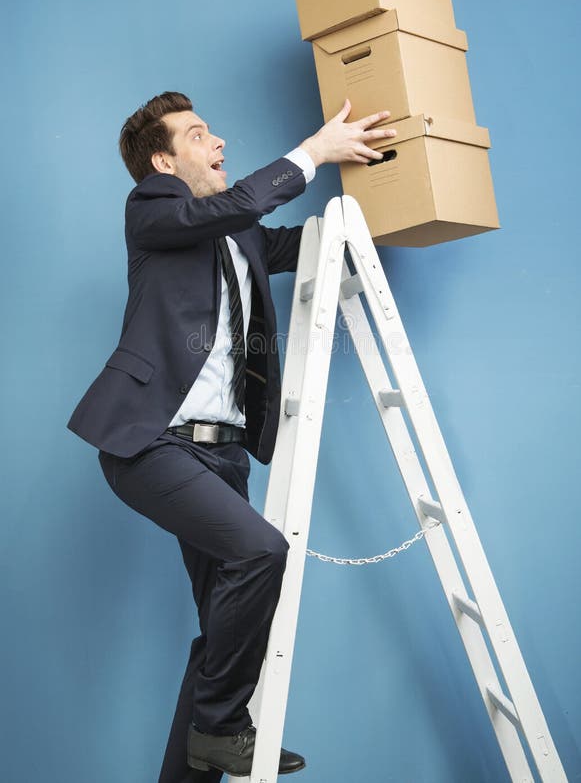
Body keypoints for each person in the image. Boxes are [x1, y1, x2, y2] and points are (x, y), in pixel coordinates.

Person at [67, 91, 396, 781]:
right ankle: (221, 727)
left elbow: (302, 241)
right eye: (197, 135)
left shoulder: (237, 231)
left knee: (222, 628)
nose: (218, 142)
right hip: (151, 443)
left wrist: (393, 196)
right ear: (162, 162)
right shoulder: (153, 210)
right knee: (261, 553)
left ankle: (204, 750)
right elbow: (237, 204)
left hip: (225, 456)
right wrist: (313, 152)